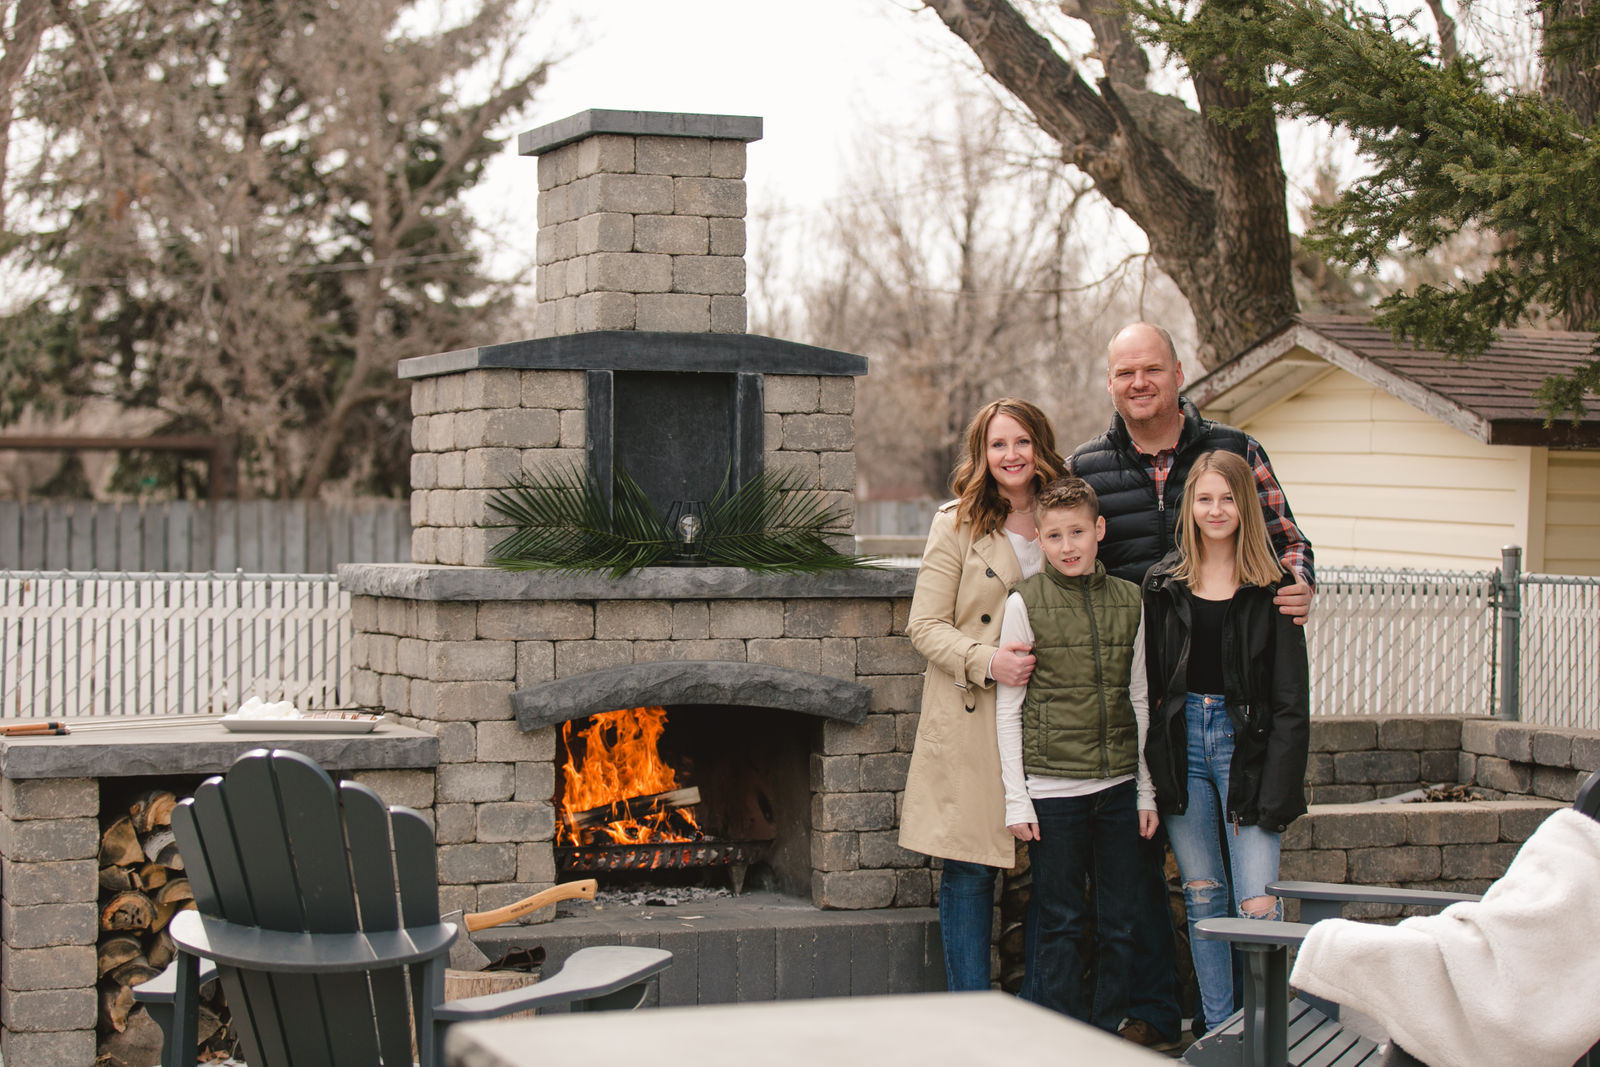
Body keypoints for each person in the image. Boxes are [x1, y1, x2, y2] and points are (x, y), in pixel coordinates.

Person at [1071, 321, 1315, 1048]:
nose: (1138, 383)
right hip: (1141, 703)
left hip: (1233, 706)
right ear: (1111, 382)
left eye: (1151, 369)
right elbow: (1063, 544)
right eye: (1124, 373)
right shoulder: (1091, 463)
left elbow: (1287, 540)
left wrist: (1298, 584)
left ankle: (1257, 1034)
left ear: (1179, 372)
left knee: (1246, 893)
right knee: (1149, 875)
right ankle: (1173, 1018)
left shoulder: (1232, 452)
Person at [899, 397, 1067, 991]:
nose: (1011, 455)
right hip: (974, 712)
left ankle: (1043, 1011)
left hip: (1053, 714)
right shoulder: (957, 522)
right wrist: (989, 661)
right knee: (970, 867)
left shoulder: (1067, 512)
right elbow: (924, 625)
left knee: (1054, 870)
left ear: (1040, 445)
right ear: (982, 453)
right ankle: (970, 1010)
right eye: (999, 444)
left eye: (1022, 441)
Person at [1142, 449, 1310, 1034]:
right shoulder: (1163, 584)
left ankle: (1262, 1036)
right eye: (1205, 498)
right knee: (1204, 896)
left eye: (1229, 498)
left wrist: (1277, 790)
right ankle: (1217, 1032)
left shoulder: (1275, 587)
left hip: (1250, 749)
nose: (1217, 509)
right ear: (1190, 505)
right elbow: (1153, 690)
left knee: (1257, 903)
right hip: (1184, 745)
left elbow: (1292, 704)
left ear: (1247, 505)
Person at [994, 475, 1158, 1030]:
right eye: (1056, 535)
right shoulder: (1025, 602)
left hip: (1115, 791)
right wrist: (1018, 800)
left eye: (1078, 533)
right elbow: (1008, 709)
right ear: (1039, 538)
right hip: (1054, 792)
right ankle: (1057, 1038)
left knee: (1119, 921)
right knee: (1060, 920)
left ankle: (1107, 1032)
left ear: (1099, 531)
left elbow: (1137, 697)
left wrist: (1144, 789)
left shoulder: (1129, 601)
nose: (1069, 546)